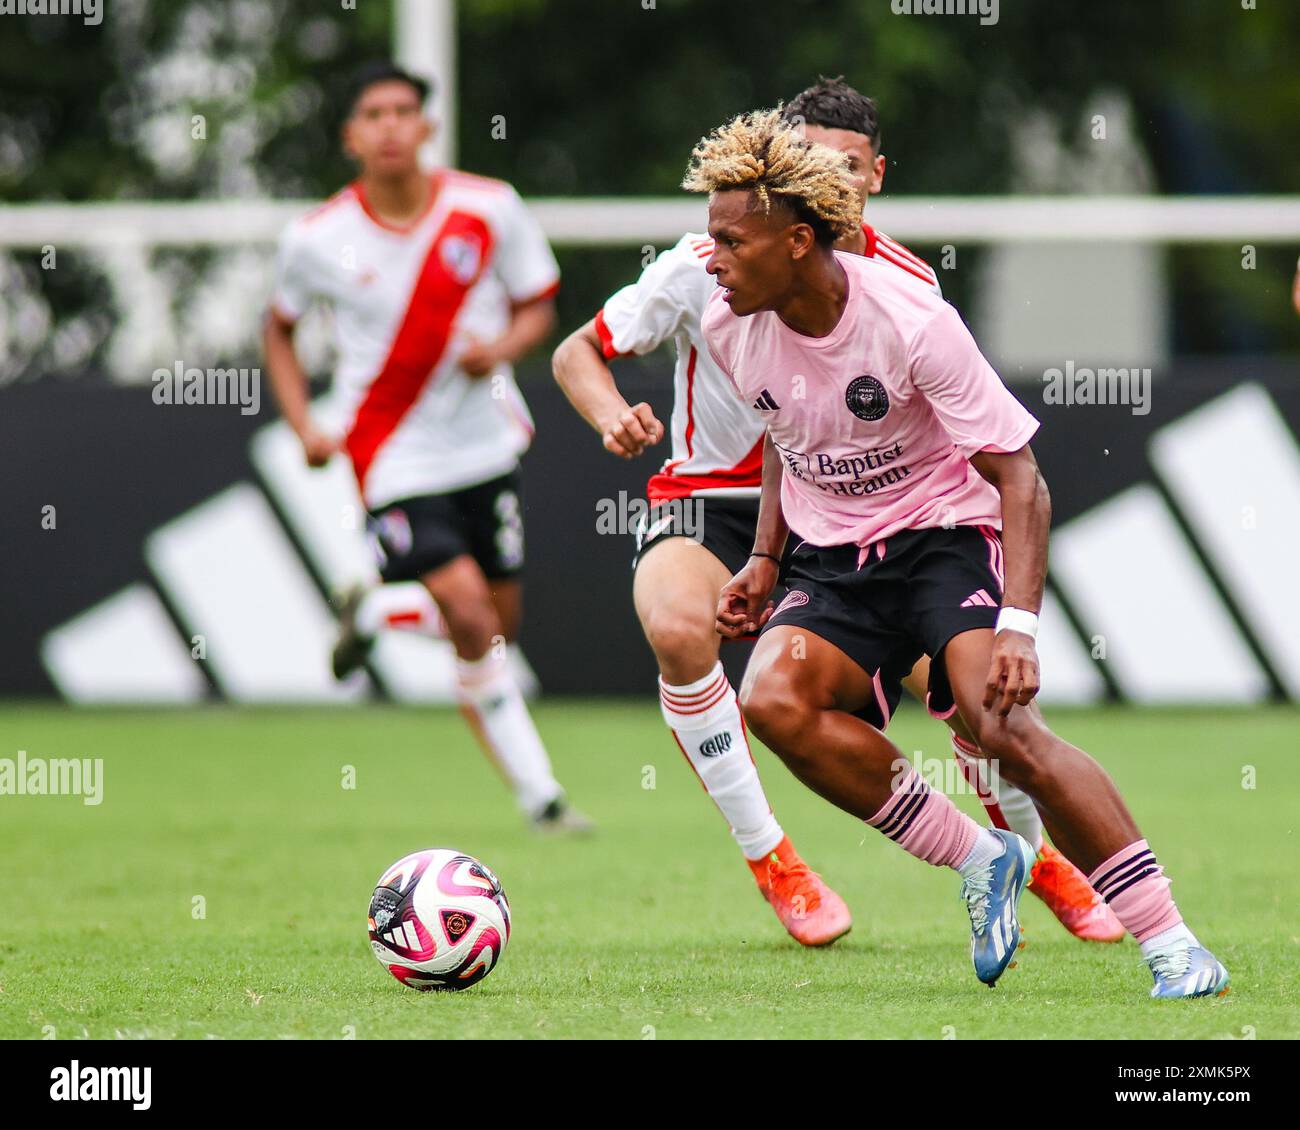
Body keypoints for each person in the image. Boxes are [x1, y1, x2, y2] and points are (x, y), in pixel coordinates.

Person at [552, 79, 1118, 946]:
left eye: (846, 168)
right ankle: (773, 858)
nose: (833, 183)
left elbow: (977, 445)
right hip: (711, 501)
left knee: (976, 705)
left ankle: (1029, 861)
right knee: (678, 628)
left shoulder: (904, 287)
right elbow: (581, 348)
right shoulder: (710, 258)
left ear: (874, 176)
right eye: (812, 164)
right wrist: (608, 415)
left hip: (857, 521)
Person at [692, 108, 1227, 996]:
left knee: (1003, 728)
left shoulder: (909, 319)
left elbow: (1022, 480)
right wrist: (763, 558)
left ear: (796, 241)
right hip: (835, 561)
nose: (710, 259)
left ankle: (1172, 943)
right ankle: (982, 859)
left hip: (946, 538)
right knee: (774, 702)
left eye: (728, 240)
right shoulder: (729, 323)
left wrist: (1018, 627)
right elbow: (787, 438)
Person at [264, 61, 590, 833]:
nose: (388, 126)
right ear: (351, 135)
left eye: (402, 111)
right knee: (471, 614)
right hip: (390, 453)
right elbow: (277, 329)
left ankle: (378, 615)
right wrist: (305, 423)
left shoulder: (489, 207)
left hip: (485, 446)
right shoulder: (315, 238)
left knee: (492, 632)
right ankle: (541, 796)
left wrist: (501, 345)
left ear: (426, 127)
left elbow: (538, 303)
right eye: (372, 113)